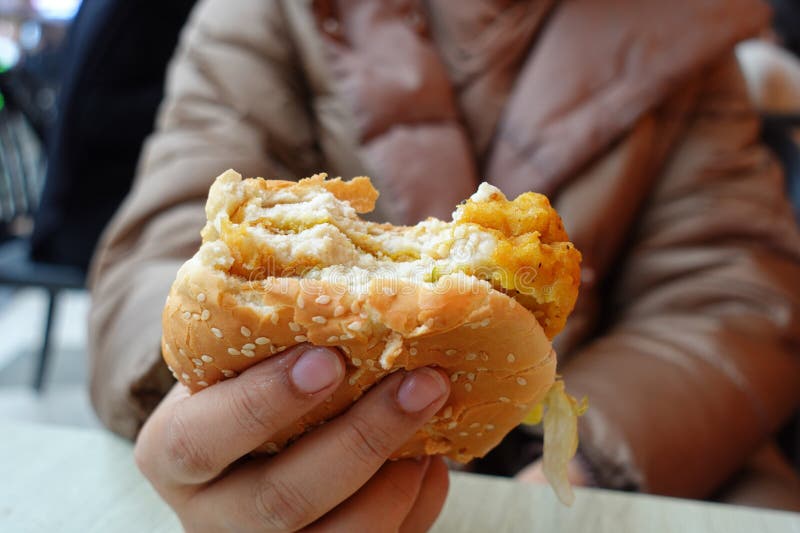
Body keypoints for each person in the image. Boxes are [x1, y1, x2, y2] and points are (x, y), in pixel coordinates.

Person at [88, 0, 800, 528]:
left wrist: (577, 458)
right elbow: (160, 255)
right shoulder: (263, 14)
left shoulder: (689, 28)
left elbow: (736, 298)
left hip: (626, 474)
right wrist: (221, 419)